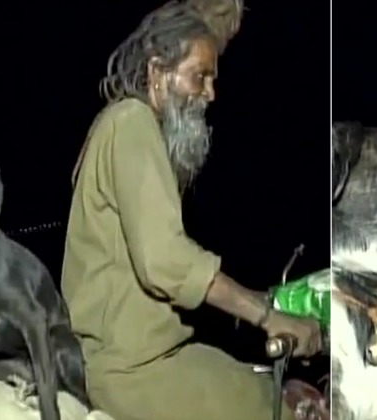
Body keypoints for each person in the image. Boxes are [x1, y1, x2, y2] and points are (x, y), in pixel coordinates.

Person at [62, 2, 323, 419]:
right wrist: (267, 317)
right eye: (199, 76)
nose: (210, 93)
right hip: (135, 370)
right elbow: (165, 261)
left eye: (213, 79)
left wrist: (261, 299)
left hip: (148, 358)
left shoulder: (127, 128)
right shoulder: (131, 121)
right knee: (281, 408)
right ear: (156, 73)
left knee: (263, 382)